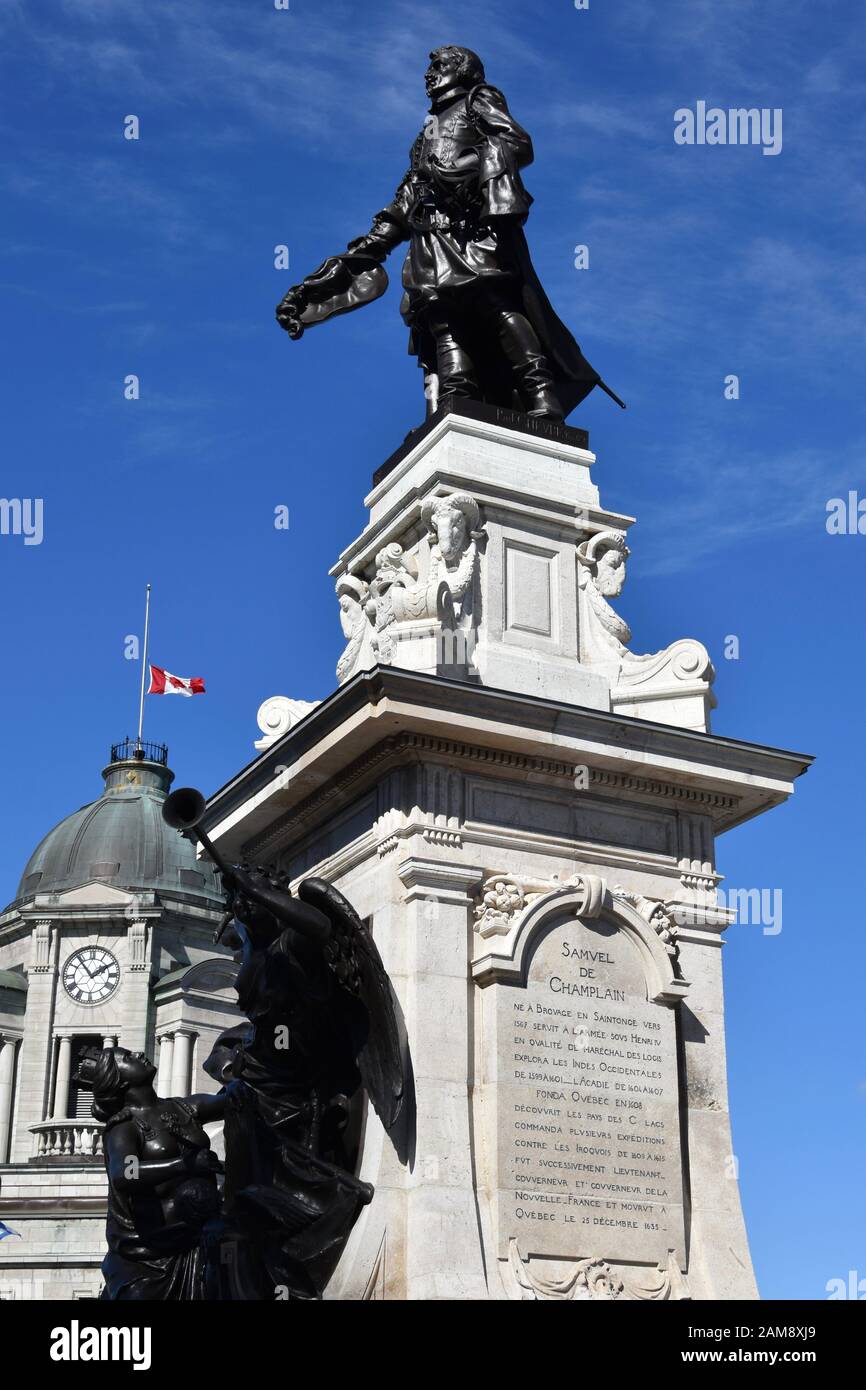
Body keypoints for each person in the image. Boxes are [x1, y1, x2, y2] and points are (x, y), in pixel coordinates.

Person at [277, 46, 623, 420]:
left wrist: (462, 167)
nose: (429, 74)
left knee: (496, 306)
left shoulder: (479, 99)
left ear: (464, 71)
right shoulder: (424, 134)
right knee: (442, 320)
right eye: (430, 68)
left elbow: (517, 144)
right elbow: (408, 197)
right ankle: (456, 402)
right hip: (429, 243)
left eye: (439, 66)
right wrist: (366, 249)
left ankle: (541, 393)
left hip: (470, 233)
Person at [78, 1046, 225, 1300]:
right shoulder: (124, 1128)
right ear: (118, 1079)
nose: (137, 1054)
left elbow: (233, 1100)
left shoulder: (184, 1108)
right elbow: (125, 1173)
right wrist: (184, 1164)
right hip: (148, 1256)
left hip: (197, 1242)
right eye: (127, 1057)